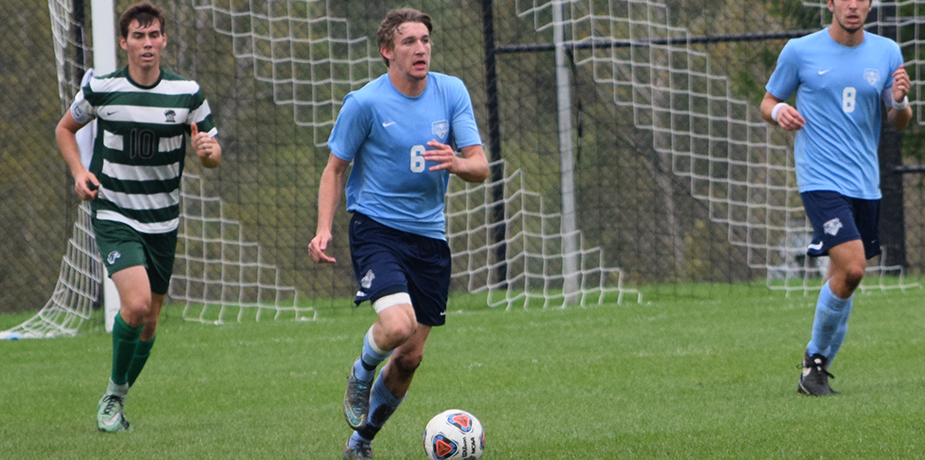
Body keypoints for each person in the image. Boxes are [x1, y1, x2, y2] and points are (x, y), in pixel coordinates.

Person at [307, 8, 489, 459]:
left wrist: (457, 163)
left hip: (429, 237)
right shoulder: (364, 103)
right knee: (397, 324)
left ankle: (360, 442)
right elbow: (334, 170)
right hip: (376, 230)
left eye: (425, 39)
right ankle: (362, 369)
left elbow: (480, 166)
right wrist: (324, 228)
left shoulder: (451, 92)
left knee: (409, 357)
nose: (420, 48)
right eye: (408, 41)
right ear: (388, 51)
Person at [55, 2, 222, 431]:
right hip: (114, 212)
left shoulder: (186, 93)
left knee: (150, 321)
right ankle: (112, 395)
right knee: (136, 303)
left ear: (164, 39)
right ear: (124, 42)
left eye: (154, 36)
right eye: (138, 36)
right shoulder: (103, 88)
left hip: (164, 221)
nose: (146, 44)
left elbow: (212, 151)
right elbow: (64, 129)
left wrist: (208, 153)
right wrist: (79, 172)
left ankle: (118, 399)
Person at [760, 0, 912, 396]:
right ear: (830, 3)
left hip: (865, 183)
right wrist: (780, 113)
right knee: (855, 267)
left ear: (870, 4)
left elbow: (898, 121)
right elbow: (767, 101)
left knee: (845, 276)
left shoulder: (887, 51)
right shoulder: (800, 51)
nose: (852, 5)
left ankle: (815, 370)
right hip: (820, 180)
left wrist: (898, 101)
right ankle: (814, 360)